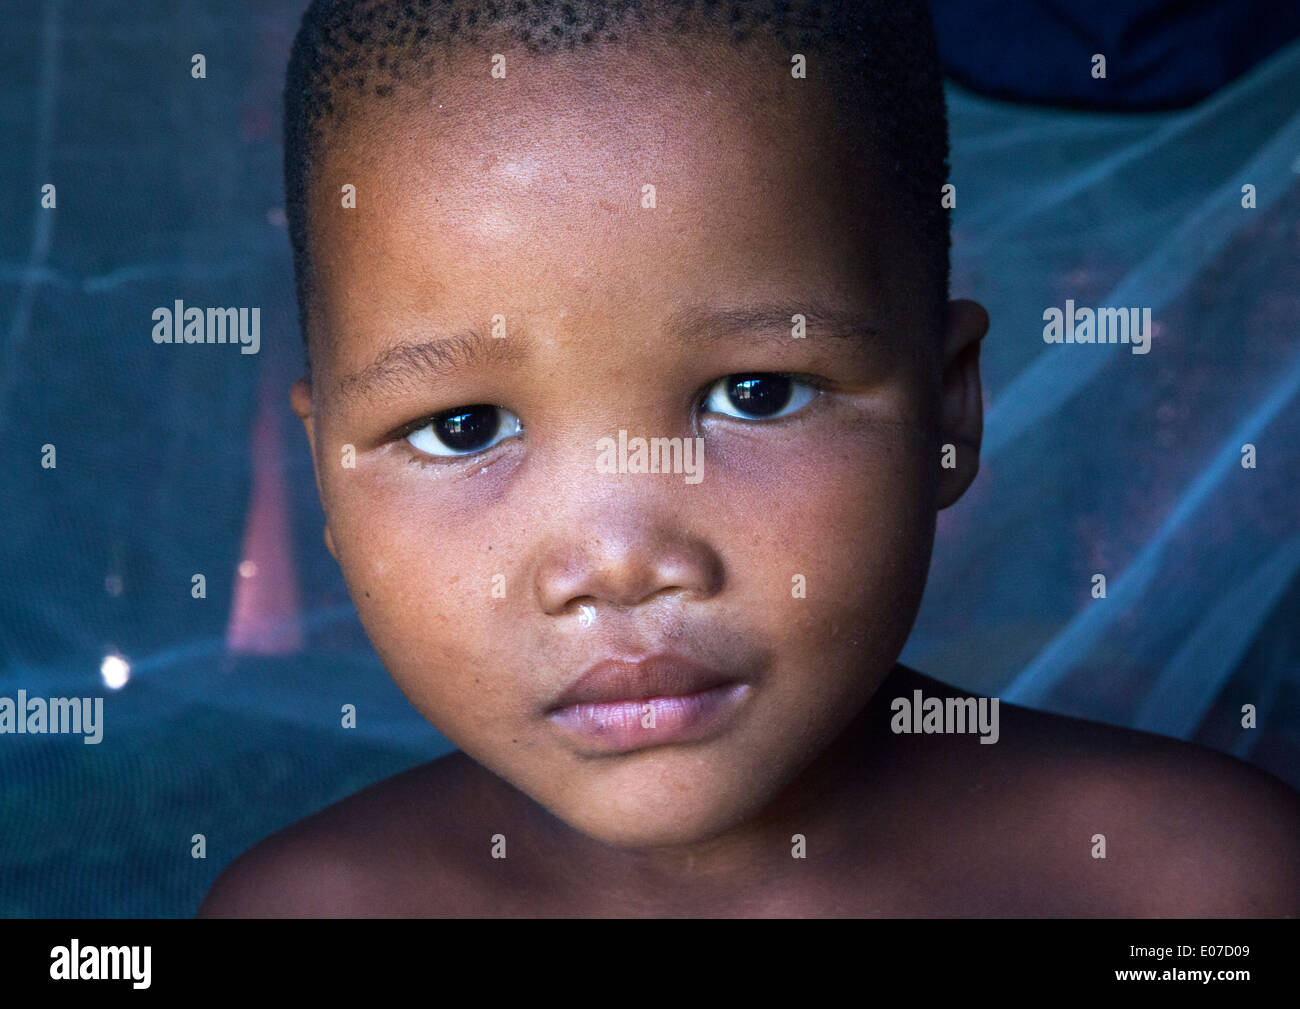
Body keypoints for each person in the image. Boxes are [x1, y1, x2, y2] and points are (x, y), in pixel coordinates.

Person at [198, 0, 1300, 917]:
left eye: (756, 394)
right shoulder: (304, 914)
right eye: (463, 427)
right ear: (325, 475)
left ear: (951, 411)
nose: (621, 562)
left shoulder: (1192, 888)